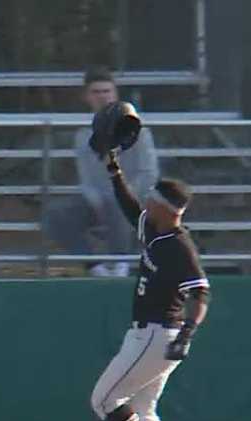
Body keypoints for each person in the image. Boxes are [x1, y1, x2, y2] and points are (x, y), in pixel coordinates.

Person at [87, 149, 210, 421]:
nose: (147, 204)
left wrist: (188, 333)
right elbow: (129, 209)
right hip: (152, 335)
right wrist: (114, 171)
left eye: (153, 201)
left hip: (157, 335)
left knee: (104, 400)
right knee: (144, 412)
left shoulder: (179, 246)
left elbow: (201, 293)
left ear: (167, 209)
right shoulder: (156, 230)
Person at [47, 67, 160, 277]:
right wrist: (95, 199)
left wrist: (126, 194)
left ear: (115, 94)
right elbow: (86, 178)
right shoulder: (83, 135)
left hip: (136, 199)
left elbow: (149, 173)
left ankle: (120, 265)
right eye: (96, 92)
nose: (102, 96)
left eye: (107, 91)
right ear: (87, 97)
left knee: (117, 201)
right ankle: (95, 267)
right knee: (54, 215)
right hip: (98, 201)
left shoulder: (139, 131)